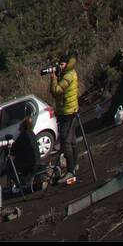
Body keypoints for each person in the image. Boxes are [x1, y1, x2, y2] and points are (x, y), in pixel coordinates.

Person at [50, 53, 80, 186]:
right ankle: (74, 165)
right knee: (72, 139)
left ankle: (70, 171)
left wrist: (53, 78)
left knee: (65, 141)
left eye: (62, 64)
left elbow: (56, 91)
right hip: (71, 110)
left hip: (67, 112)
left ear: (67, 64)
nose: (60, 67)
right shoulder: (70, 72)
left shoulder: (68, 75)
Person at [6, 116, 40, 193]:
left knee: (10, 167)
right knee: (19, 163)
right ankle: (25, 180)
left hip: (29, 162)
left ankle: (21, 183)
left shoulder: (23, 136)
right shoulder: (32, 133)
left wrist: (11, 147)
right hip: (36, 160)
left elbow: (13, 151)